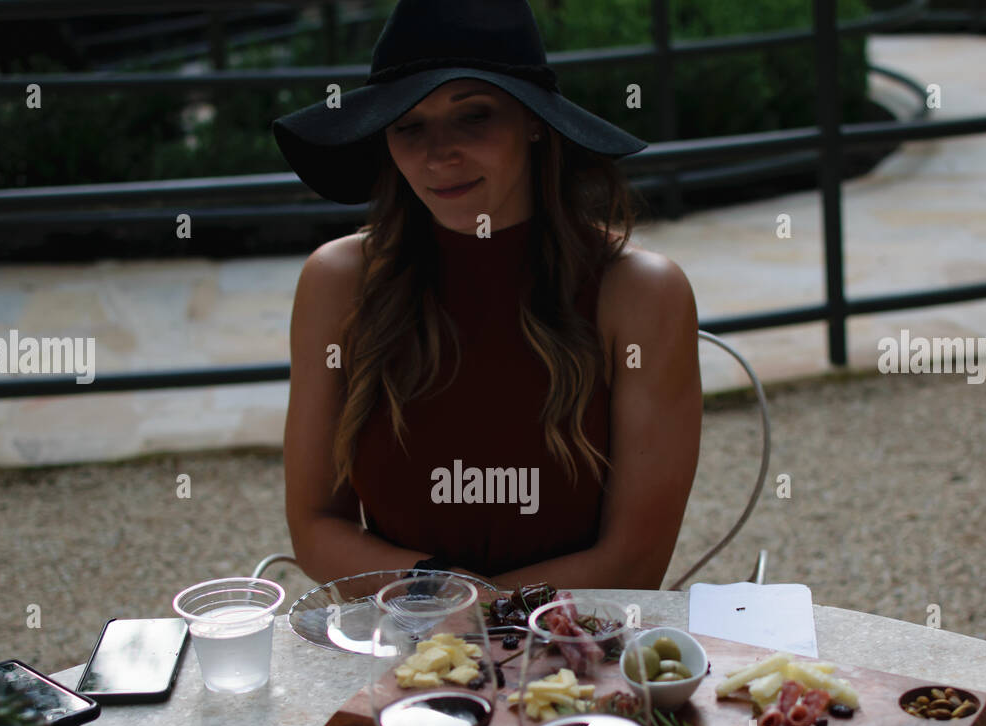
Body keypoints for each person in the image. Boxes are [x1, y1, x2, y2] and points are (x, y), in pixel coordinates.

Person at [274, 0, 700, 591]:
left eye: (472, 116)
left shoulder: (640, 292)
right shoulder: (340, 282)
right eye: (408, 125)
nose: (437, 153)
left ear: (533, 120)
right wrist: (438, 600)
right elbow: (317, 523)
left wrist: (476, 618)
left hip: (573, 648)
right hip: (398, 643)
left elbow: (633, 564)